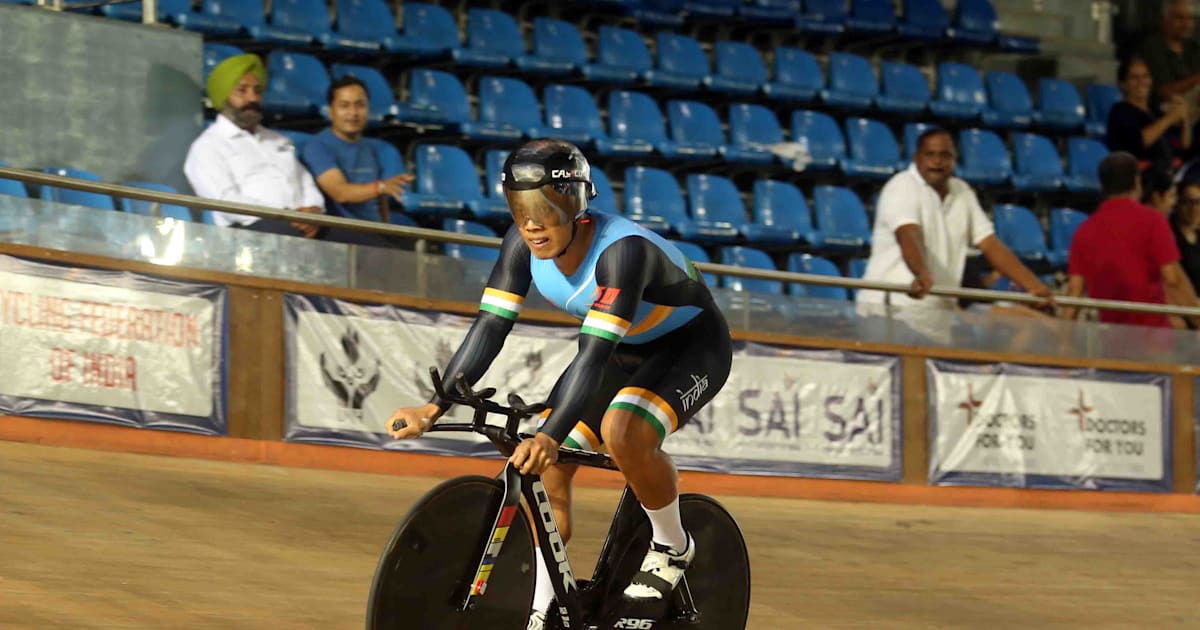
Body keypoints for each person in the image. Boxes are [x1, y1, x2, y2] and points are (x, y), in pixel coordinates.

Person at [385, 139, 732, 630]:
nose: (531, 222)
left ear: (574, 205)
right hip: (621, 350)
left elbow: (592, 355)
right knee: (546, 469)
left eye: (545, 207)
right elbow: (489, 326)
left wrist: (549, 436)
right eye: (520, 207)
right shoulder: (519, 245)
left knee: (622, 431)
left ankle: (673, 546)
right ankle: (546, 606)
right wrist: (434, 407)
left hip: (689, 347)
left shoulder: (621, 254)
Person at [183, 54, 386, 247]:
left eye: (257, 90)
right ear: (223, 96)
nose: (252, 98)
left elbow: (305, 182)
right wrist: (285, 216)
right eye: (242, 91)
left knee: (376, 247)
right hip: (250, 230)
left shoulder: (276, 139)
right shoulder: (207, 147)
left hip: (302, 222)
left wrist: (314, 210)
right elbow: (226, 203)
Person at [856, 127, 1052, 311]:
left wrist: (1034, 286)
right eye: (930, 154)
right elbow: (908, 234)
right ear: (916, 158)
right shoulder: (901, 186)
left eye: (945, 155)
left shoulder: (962, 191)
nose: (937, 162)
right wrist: (921, 273)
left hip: (936, 311)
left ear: (955, 160)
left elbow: (989, 244)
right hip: (890, 308)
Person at [1061, 151, 1200, 328]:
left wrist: (1064, 341)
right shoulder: (1153, 220)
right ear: (1136, 182)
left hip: (1112, 341)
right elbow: (1173, 279)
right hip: (1155, 340)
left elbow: (1075, 291)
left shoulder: (1083, 230)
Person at [301, 76, 415, 223]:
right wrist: (381, 187)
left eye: (360, 105)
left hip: (375, 231)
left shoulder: (372, 147)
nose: (353, 113)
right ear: (330, 111)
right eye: (344, 105)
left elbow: (382, 203)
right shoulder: (317, 146)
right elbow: (340, 193)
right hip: (341, 232)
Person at [1106, 57, 1192, 167]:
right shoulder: (1120, 111)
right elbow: (1139, 142)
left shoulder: (1155, 111)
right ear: (1123, 84)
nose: (1141, 82)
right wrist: (1171, 117)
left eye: (1145, 76)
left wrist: (1184, 117)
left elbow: (1184, 145)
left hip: (1172, 170)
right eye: (1134, 78)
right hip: (1140, 175)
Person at [1138, 0, 1200, 101]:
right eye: (1180, 18)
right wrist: (1196, 80)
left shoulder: (1195, 48)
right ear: (1165, 19)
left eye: (1190, 19)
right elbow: (1164, 91)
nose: (1187, 24)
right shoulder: (1152, 48)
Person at [1172, 181, 1200, 300]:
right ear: (1177, 203)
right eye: (1188, 202)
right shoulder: (1170, 236)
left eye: (1198, 202)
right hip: (1184, 304)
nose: (1193, 208)